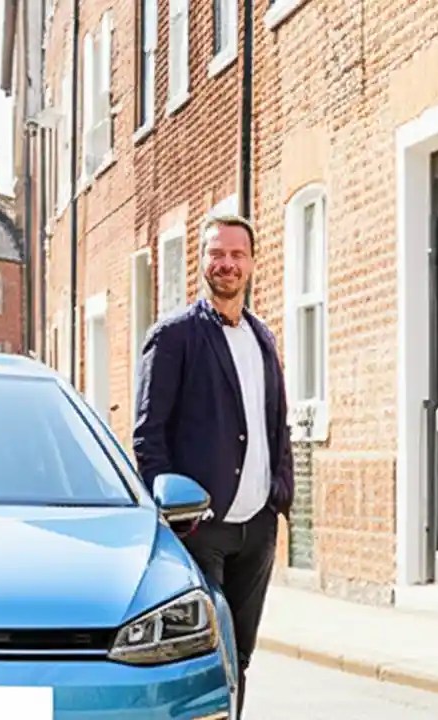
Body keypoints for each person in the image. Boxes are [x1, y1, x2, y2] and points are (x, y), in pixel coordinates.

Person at [131, 211, 293, 715]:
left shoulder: (262, 337)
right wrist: (176, 514)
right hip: (201, 532)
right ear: (202, 262)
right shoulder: (174, 336)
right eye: (217, 253)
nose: (227, 264)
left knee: (240, 656)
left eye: (236, 254)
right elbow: (148, 437)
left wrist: (278, 495)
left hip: (256, 529)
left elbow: (275, 422)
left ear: (252, 263)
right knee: (205, 657)